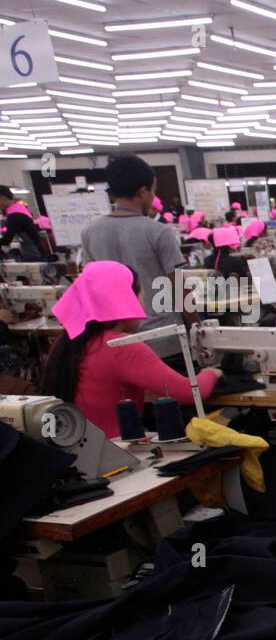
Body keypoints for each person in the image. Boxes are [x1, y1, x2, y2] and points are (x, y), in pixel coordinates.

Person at [39, 261, 221, 438]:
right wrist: (212, 372)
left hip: (75, 450)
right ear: (125, 299)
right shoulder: (121, 346)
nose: (143, 303)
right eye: (141, 295)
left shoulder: (64, 343)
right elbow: (189, 392)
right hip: (114, 454)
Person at [78, 155, 189, 359]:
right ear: (143, 192)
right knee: (174, 389)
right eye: (153, 190)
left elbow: (91, 287)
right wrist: (197, 327)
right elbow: (180, 286)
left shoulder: (90, 233)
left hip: (118, 339)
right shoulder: (158, 232)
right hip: (164, 338)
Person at [0, 187, 44, 261]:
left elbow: (6, 240)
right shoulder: (20, 208)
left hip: (33, 254)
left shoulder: (15, 215)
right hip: (34, 250)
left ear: (2, 198)